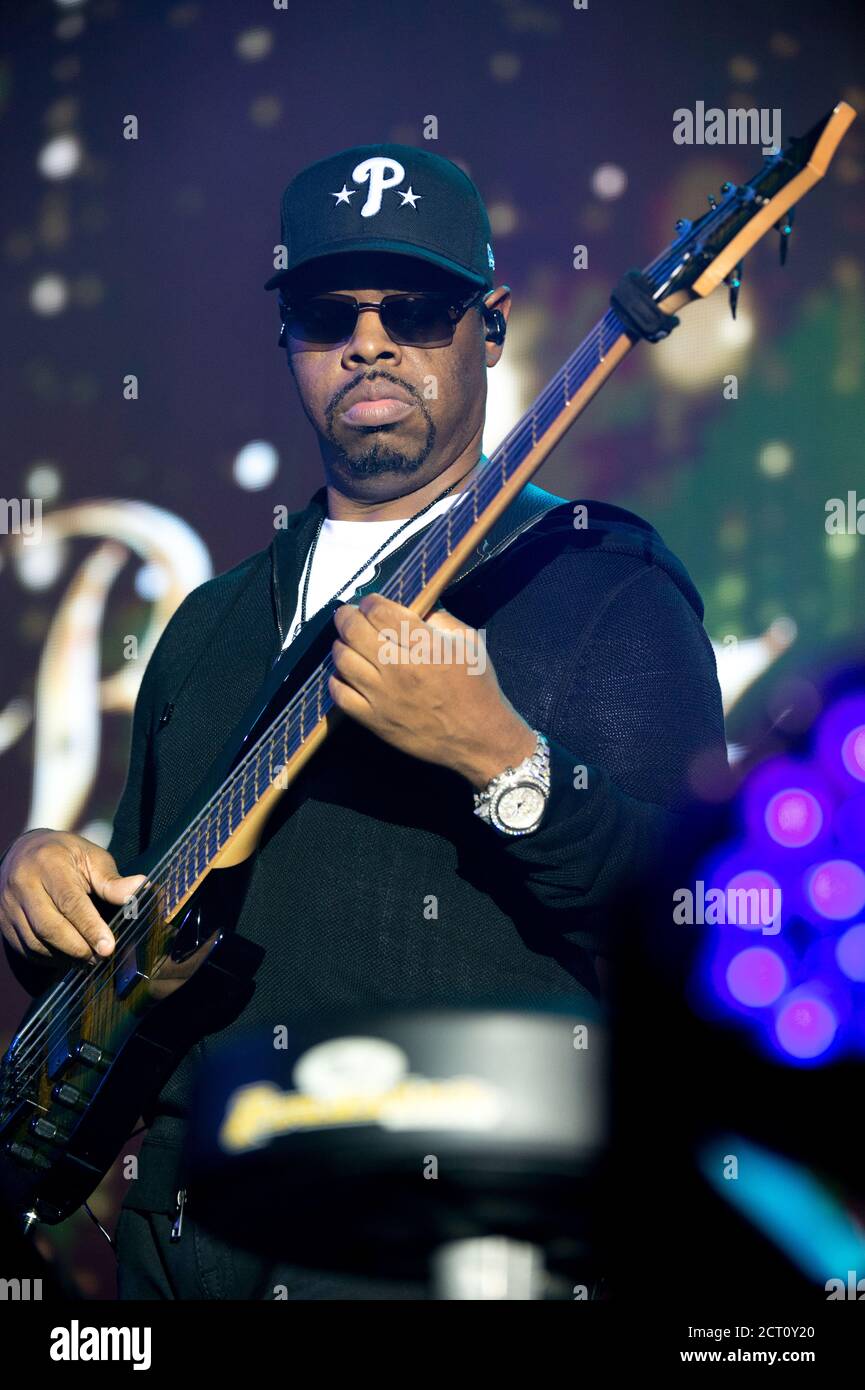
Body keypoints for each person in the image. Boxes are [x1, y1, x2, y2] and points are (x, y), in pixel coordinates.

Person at [0, 144, 726, 1298]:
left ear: (488, 326)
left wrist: (502, 759)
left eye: (419, 307)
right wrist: (43, 886)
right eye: (330, 311)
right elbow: (137, 937)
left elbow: (702, 926)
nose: (371, 339)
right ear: (287, 338)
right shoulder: (207, 623)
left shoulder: (603, 578)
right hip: (179, 1255)